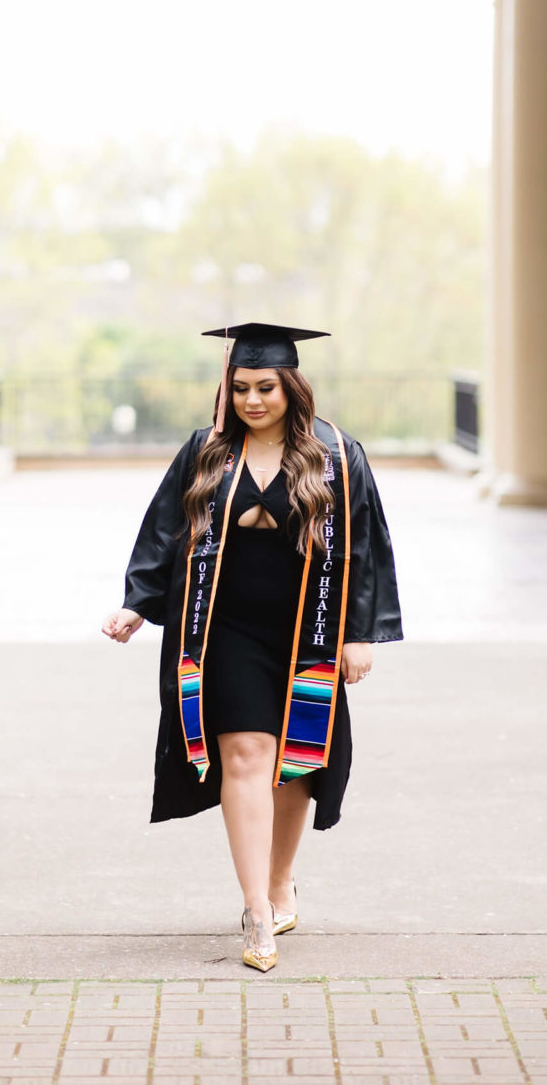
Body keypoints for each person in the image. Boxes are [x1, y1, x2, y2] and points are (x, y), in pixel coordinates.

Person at [102, 322, 403, 971]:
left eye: (265, 386)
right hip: (225, 631)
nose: (252, 400)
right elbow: (163, 531)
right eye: (240, 387)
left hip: (307, 631)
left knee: (294, 767)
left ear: (292, 386)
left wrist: (358, 632)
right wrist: (135, 602)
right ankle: (255, 909)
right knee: (243, 755)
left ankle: (280, 878)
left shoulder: (336, 455)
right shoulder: (207, 451)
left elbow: (363, 545)